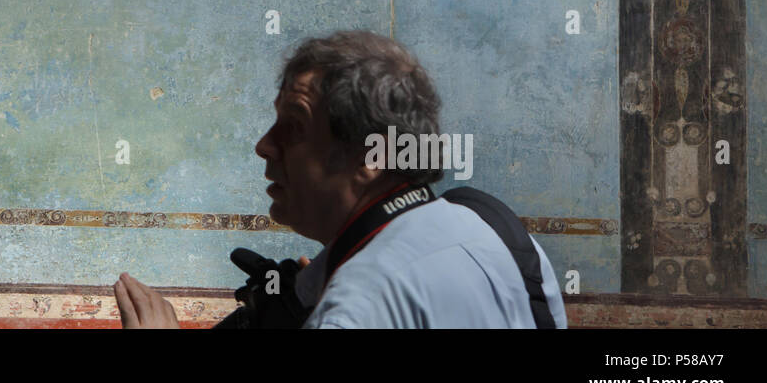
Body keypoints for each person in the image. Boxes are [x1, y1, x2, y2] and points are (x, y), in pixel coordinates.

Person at [113, 31, 567, 328]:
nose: (264, 147)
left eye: (293, 127)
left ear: (371, 157)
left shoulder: (355, 308)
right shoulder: (491, 224)